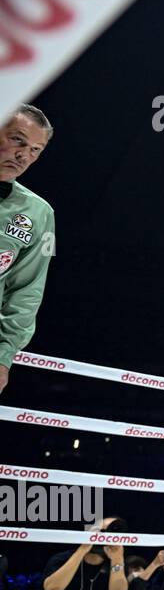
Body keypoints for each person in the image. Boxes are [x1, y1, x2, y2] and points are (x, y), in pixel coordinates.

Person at [0, 104, 56, 397]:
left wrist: (3, 356)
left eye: (35, 150)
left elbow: (27, 291)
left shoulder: (39, 213)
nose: (24, 156)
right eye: (18, 140)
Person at [42, 516, 128, 590]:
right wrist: (82, 549)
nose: (105, 537)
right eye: (101, 531)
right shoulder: (62, 559)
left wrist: (117, 559)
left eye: (112, 532)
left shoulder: (117, 568)